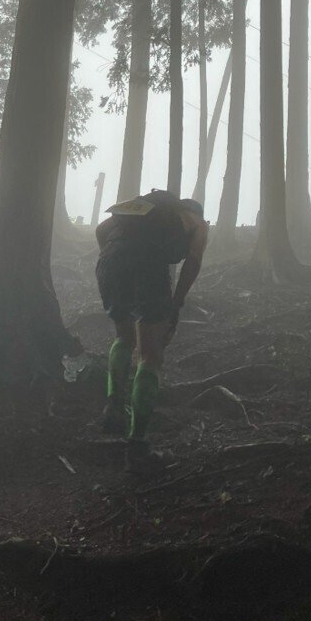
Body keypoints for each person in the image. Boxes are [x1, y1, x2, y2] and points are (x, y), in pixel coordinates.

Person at [95, 189, 209, 473]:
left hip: (111, 260)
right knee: (150, 355)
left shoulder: (139, 211)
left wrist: (115, 261)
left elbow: (101, 229)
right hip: (149, 269)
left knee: (123, 337)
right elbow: (192, 263)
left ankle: (113, 409)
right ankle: (137, 446)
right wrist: (176, 304)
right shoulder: (197, 222)